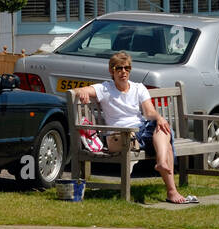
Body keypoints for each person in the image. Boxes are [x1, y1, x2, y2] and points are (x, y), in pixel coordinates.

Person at [75, 52, 196, 205]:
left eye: (127, 68)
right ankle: (170, 188)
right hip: (122, 136)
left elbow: (149, 112)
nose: (123, 72)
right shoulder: (105, 89)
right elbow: (78, 90)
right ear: (111, 71)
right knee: (167, 145)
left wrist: (159, 118)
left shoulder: (139, 88)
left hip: (141, 130)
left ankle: (162, 164)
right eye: (119, 68)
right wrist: (83, 92)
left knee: (161, 126)